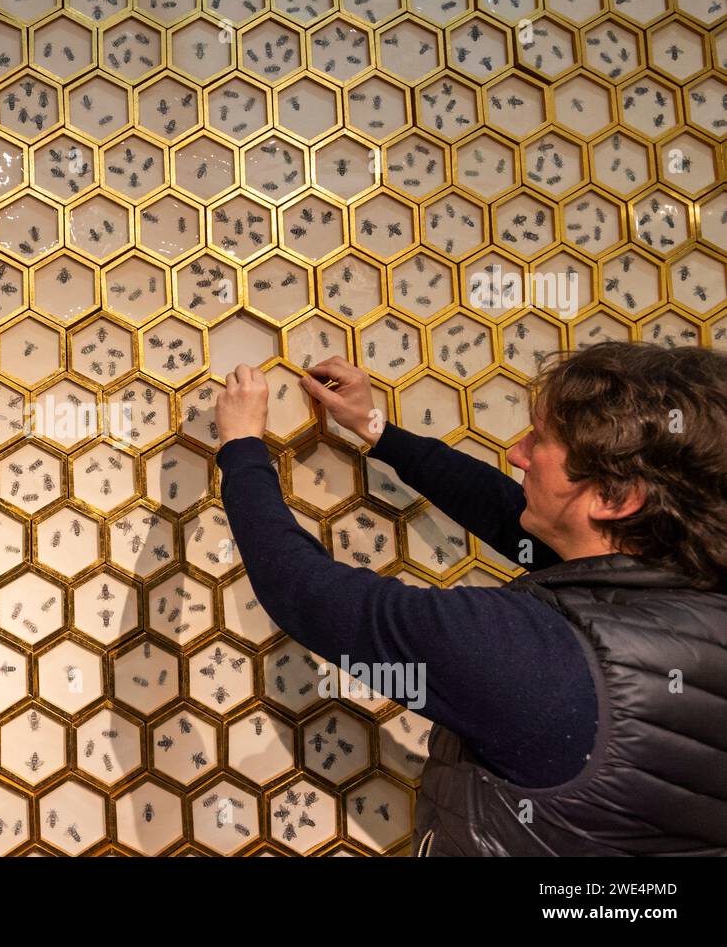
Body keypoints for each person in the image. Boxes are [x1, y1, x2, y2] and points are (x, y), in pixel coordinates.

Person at [213, 341, 727, 855]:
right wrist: (375, 428)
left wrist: (241, 449)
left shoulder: (540, 657)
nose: (516, 453)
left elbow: (307, 592)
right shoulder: (687, 590)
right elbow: (507, 514)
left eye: (541, 441)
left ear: (617, 498)